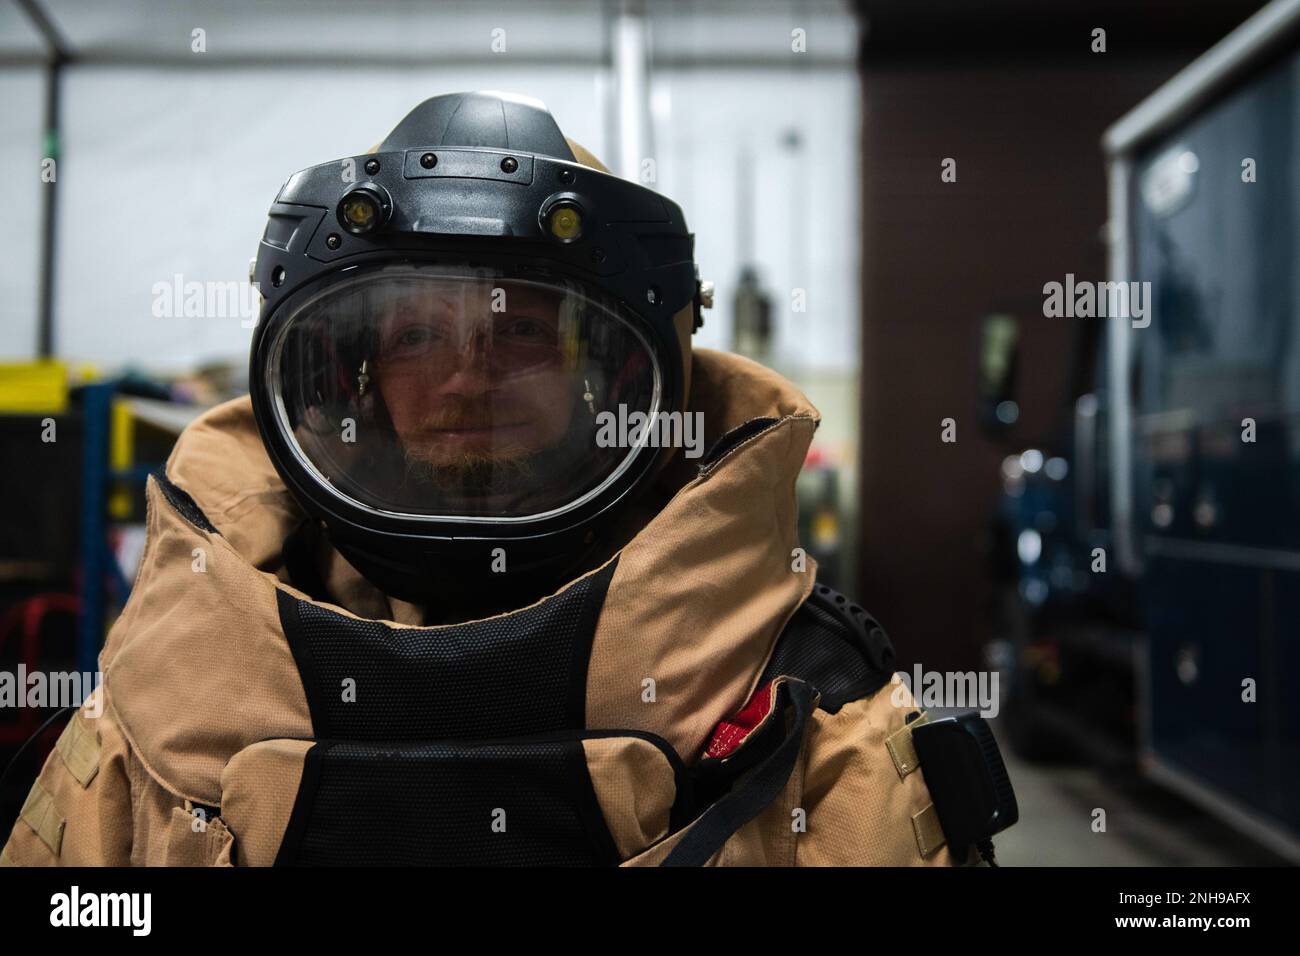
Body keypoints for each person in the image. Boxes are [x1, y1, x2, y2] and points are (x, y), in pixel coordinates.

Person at [2, 91, 1012, 867]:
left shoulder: (805, 707)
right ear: (342, 376)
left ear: (622, 374)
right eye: (413, 334)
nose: (464, 375)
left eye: (522, 330)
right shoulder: (164, 686)